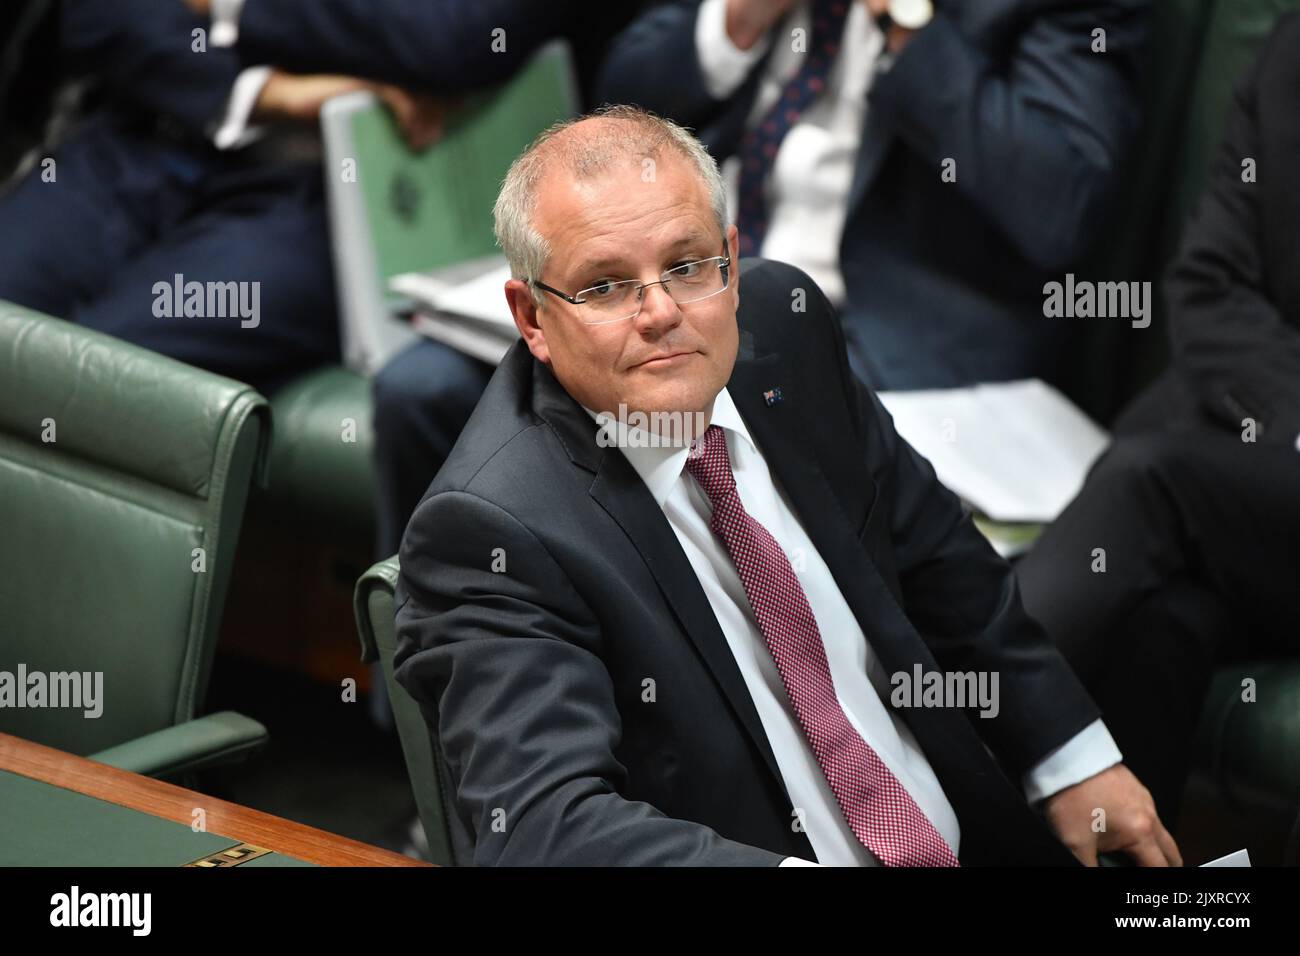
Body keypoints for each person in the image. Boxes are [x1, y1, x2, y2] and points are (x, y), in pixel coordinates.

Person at [392, 105, 1179, 866]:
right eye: (604, 286)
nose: (661, 311)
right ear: (531, 317)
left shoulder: (786, 330)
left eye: (687, 265)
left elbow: (943, 564)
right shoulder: (491, 530)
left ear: (730, 262)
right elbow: (547, 829)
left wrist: (1070, 757)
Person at [181, 0, 648, 558]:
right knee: (62, 346)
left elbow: (449, 41)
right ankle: (407, 638)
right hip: (155, 133)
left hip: (359, 185)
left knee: (122, 352)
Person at [1015, 12, 1300, 824]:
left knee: (1151, 480)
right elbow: (1209, 285)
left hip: (1206, 479)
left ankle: (919, 741)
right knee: (1159, 623)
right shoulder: (1294, 55)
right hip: (1265, 476)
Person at [596, 0, 1149, 390]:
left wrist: (904, 21)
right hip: (691, 288)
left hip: (878, 339)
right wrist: (741, 17)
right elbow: (617, 113)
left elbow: (1058, 208)